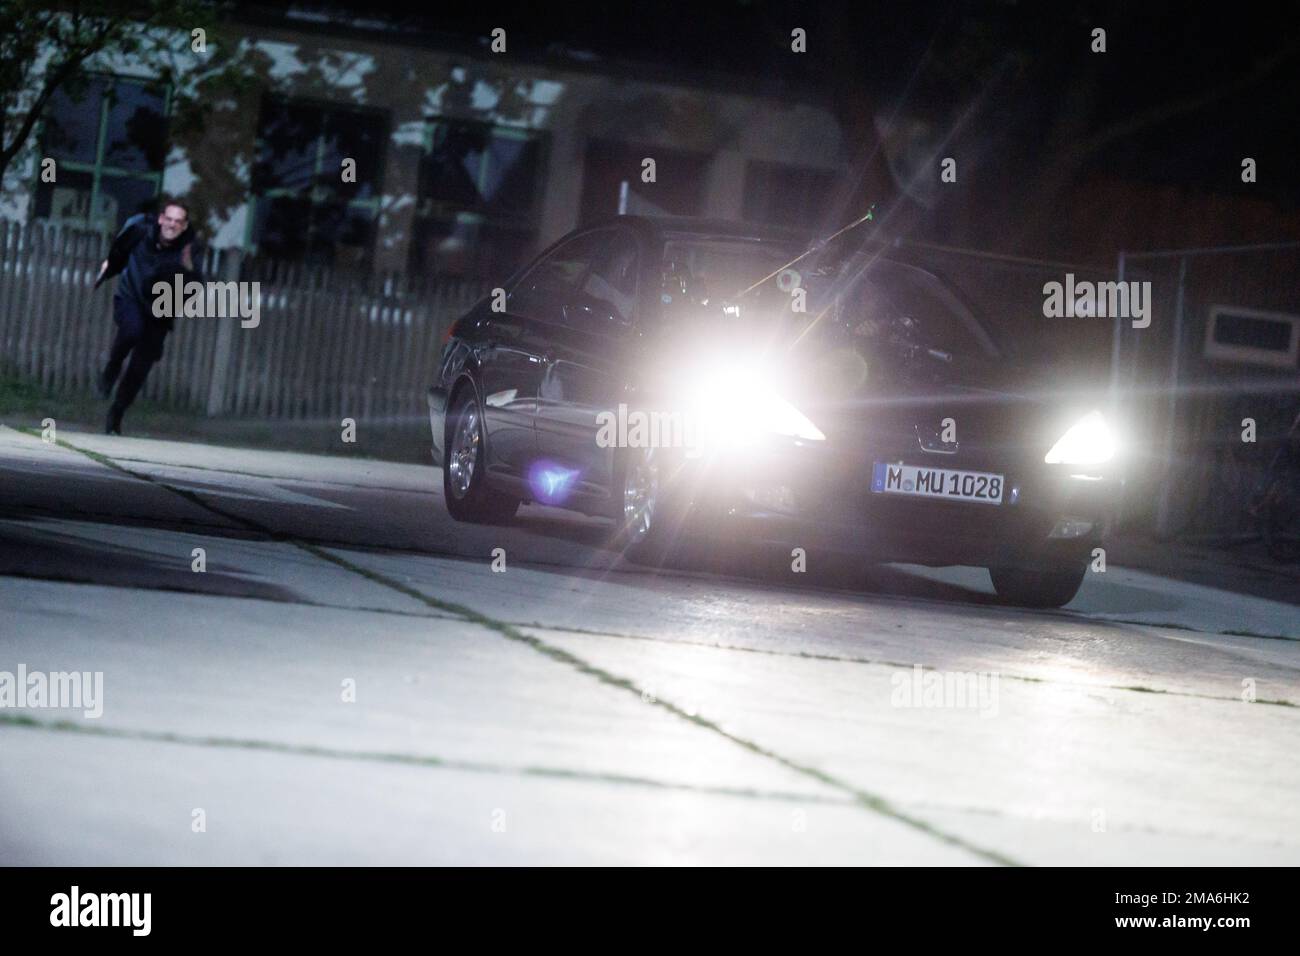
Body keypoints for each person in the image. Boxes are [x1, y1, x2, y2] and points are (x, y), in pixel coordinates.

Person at [94, 200, 202, 434]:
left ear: (184, 226)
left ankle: (117, 412)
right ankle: (112, 368)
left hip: (160, 311)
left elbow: (195, 286)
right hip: (131, 296)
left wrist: (189, 269)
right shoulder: (141, 230)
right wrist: (107, 267)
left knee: (141, 366)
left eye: (178, 221)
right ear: (161, 219)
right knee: (131, 330)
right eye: (169, 219)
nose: (172, 225)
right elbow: (119, 250)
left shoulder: (188, 249)